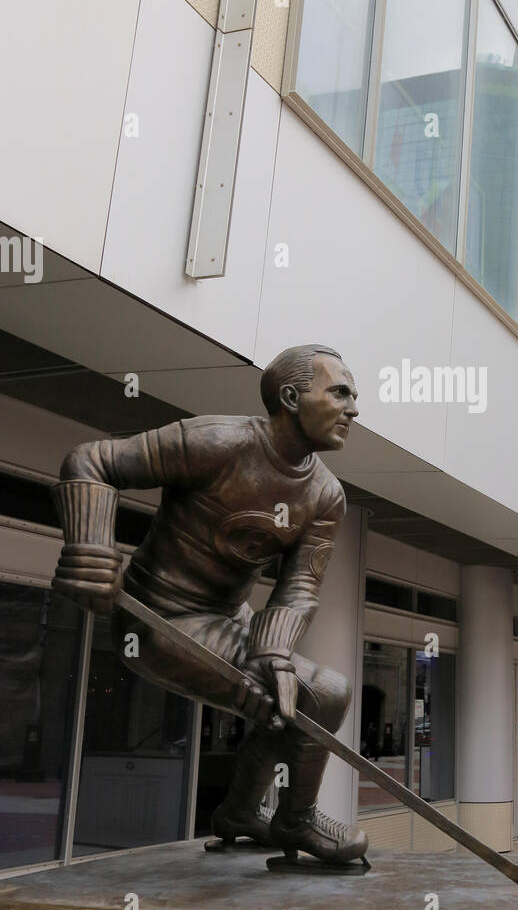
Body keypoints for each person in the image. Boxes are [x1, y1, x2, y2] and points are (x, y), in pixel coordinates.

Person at [50, 344, 368, 866]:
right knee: (321, 695)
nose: (353, 409)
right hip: (159, 619)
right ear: (291, 398)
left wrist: (272, 652)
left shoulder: (326, 494)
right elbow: (92, 461)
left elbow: (300, 587)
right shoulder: (216, 441)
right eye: (340, 393)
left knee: (300, 693)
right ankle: (295, 820)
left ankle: (242, 812)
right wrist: (91, 548)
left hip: (227, 620)